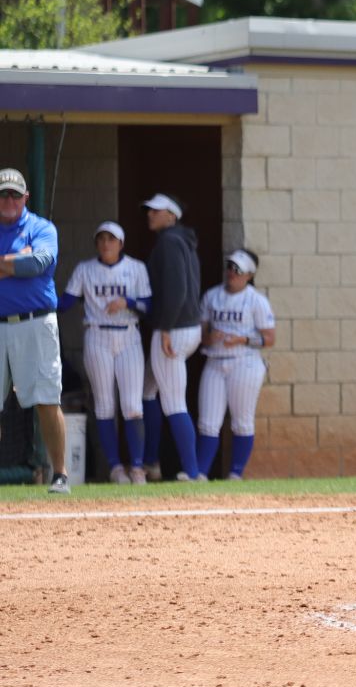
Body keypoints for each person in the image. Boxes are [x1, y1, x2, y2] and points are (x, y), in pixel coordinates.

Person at [59, 221, 152, 484]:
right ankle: (115, 468)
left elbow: (149, 305)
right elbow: (65, 302)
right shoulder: (85, 269)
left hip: (128, 334)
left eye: (111, 239)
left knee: (132, 405)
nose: (105, 243)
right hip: (97, 334)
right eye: (101, 239)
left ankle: (137, 467)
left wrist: (128, 302)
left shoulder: (136, 268)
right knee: (104, 404)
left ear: (120, 243)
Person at [0, 166, 71, 495]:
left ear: (25, 197)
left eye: (15, 195)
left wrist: (11, 264)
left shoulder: (41, 228)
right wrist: (17, 261)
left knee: (46, 398)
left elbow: (38, 263)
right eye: (3, 195)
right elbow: (25, 264)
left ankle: (60, 474)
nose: (9, 200)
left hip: (36, 322)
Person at [140, 192, 204, 482]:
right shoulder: (181, 240)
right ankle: (151, 462)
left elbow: (177, 290)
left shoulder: (169, 240)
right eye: (150, 210)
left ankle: (192, 472)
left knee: (174, 402)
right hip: (186, 327)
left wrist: (165, 327)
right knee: (147, 389)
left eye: (156, 210)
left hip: (173, 330)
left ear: (171, 215)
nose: (150, 214)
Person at [195, 249, 275, 480]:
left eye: (238, 270)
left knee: (242, 421)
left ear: (249, 275)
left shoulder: (256, 300)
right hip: (215, 360)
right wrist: (210, 337)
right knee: (208, 421)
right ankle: (200, 474)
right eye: (230, 267)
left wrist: (243, 339)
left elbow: (269, 339)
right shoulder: (212, 296)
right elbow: (201, 334)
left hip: (244, 362)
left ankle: (235, 474)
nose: (232, 273)